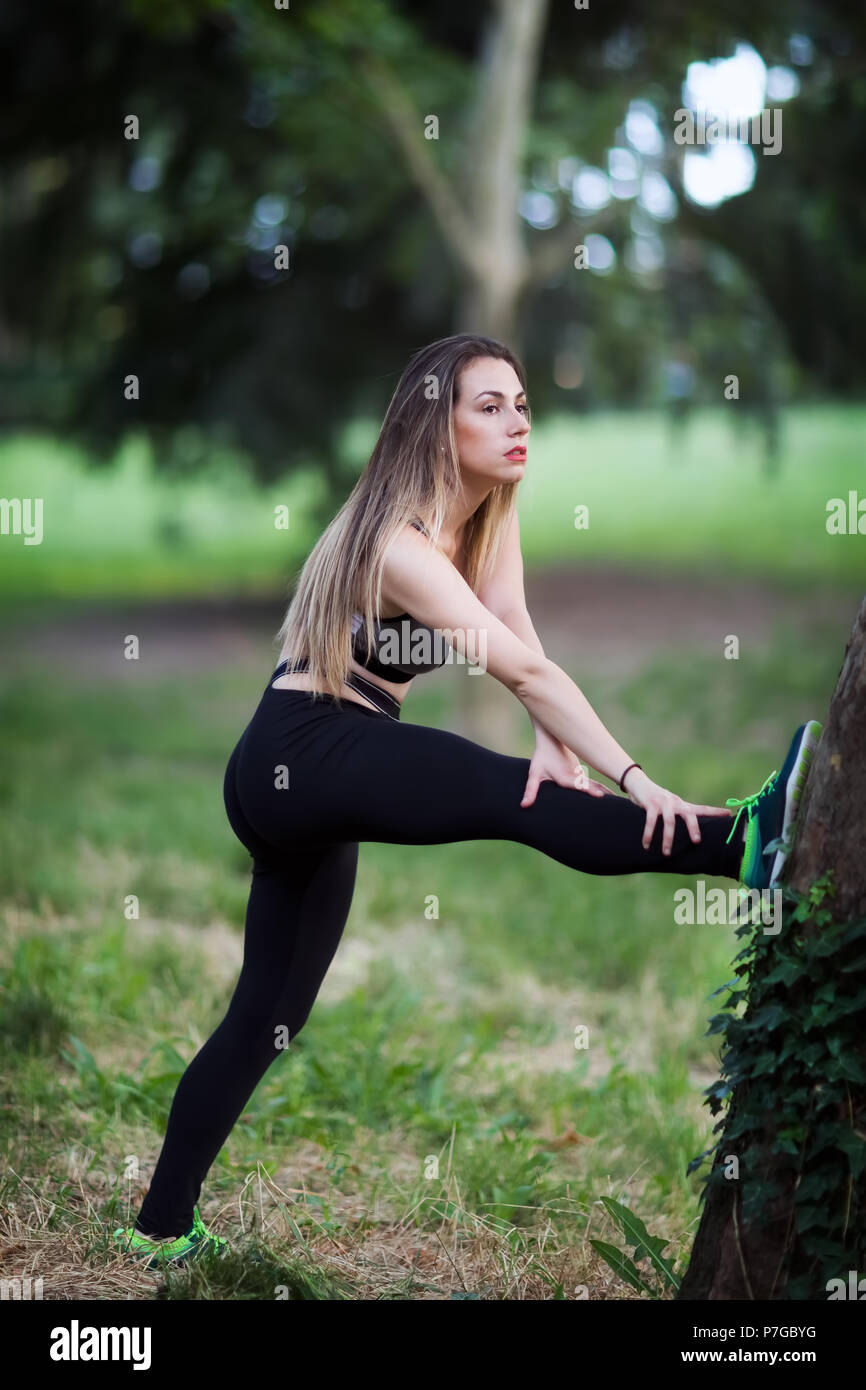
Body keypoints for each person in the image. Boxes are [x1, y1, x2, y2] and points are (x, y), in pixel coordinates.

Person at [113, 333, 820, 1268]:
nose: (517, 420)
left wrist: (550, 739)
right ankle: (739, 844)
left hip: (320, 764)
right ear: (433, 421)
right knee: (511, 800)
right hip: (306, 748)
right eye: (490, 406)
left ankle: (161, 1225)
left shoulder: (487, 512)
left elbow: (519, 633)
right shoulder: (398, 538)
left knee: (269, 1015)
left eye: (522, 402)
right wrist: (635, 775)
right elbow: (518, 662)